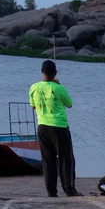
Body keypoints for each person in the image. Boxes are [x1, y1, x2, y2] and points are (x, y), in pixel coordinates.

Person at [29, 60, 79, 197]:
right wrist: (59, 85)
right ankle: (69, 189)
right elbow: (69, 104)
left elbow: (33, 106)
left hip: (42, 127)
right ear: (55, 73)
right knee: (65, 159)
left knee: (48, 160)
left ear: (41, 71)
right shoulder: (58, 88)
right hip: (59, 127)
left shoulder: (34, 87)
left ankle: (51, 191)